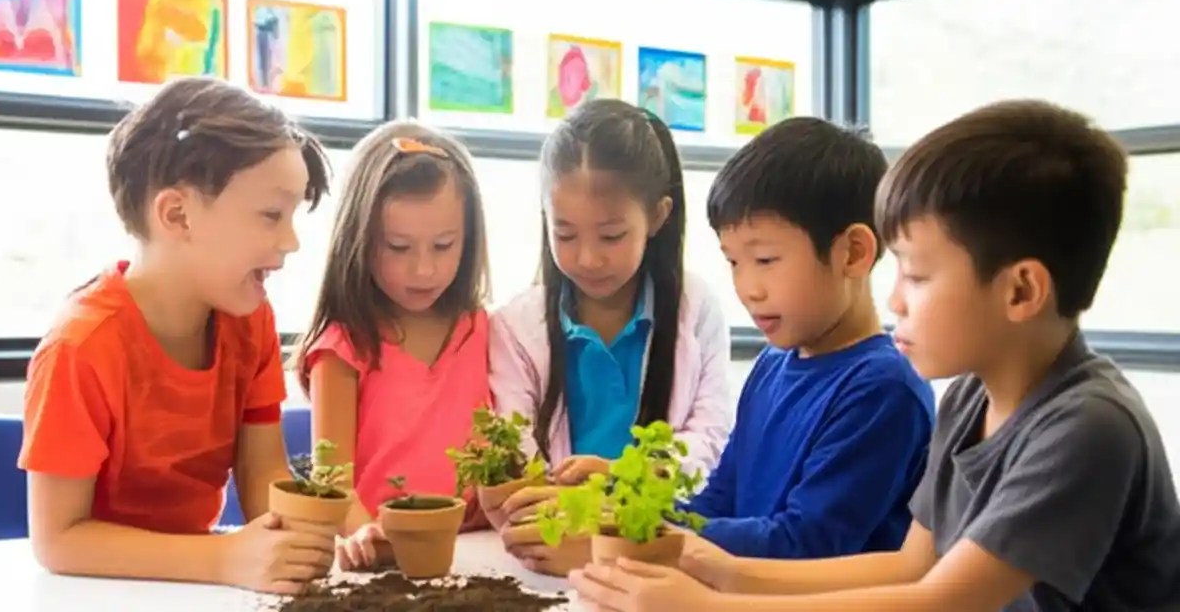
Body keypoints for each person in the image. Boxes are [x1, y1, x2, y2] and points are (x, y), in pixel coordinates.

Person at [570, 99, 1180, 612]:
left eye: (916, 276)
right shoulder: (972, 396)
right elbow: (912, 564)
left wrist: (712, 605)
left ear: (1020, 290)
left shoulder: (1088, 426)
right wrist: (705, 562)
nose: (894, 298)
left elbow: (944, 599)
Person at [18, 77, 334, 595]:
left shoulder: (250, 320)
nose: (291, 241)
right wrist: (224, 558)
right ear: (177, 215)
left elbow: (262, 474)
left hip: (197, 587)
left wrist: (310, 536)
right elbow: (58, 541)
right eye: (271, 215)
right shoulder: (80, 348)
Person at [492, 100, 732, 574]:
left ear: (658, 217)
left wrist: (623, 486)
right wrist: (565, 516)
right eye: (565, 233)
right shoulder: (516, 326)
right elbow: (515, 453)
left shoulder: (696, 308)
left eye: (611, 235)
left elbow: (709, 443)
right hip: (552, 547)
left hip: (663, 549)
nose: (587, 259)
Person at [681, 117, 935, 559]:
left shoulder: (884, 390)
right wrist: (620, 512)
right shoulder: (771, 364)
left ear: (853, 252)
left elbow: (804, 543)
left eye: (765, 259)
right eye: (734, 263)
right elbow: (720, 500)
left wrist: (658, 542)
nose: (747, 288)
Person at [294, 122, 492, 571]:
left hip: (481, 554)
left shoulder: (483, 330)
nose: (424, 270)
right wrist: (364, 530)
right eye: (398, 247)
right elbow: (333, 480)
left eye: (444, 246)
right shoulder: (342, 349)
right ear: (359, 243)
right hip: (384, 559)